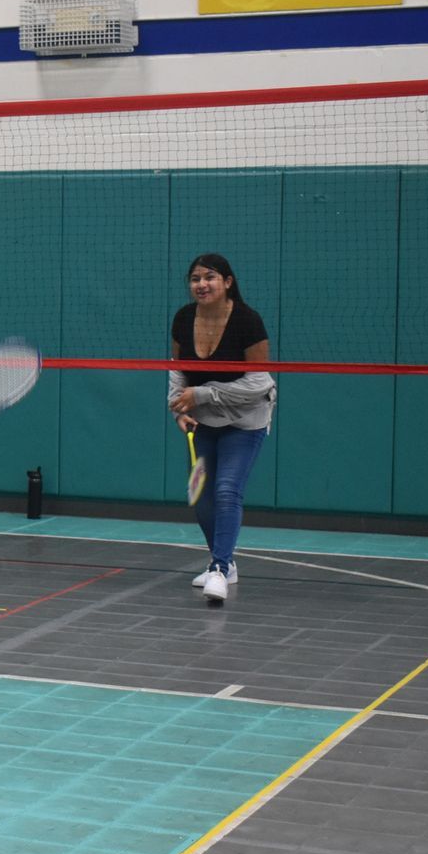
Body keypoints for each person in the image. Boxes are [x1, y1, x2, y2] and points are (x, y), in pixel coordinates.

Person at [168, 252, 275, 606]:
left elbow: (259, 383)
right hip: (202, 420)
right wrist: (177, 408)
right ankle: (226, 564)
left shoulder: (247, 320)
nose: (202, 284)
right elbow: (177, 369)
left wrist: (202, 393)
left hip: (246, 419)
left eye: (210, 277)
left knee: (228, 490)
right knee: (202, 497)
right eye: (196, 278)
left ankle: (218, 567)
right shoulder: (183, 319)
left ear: (227, 282)